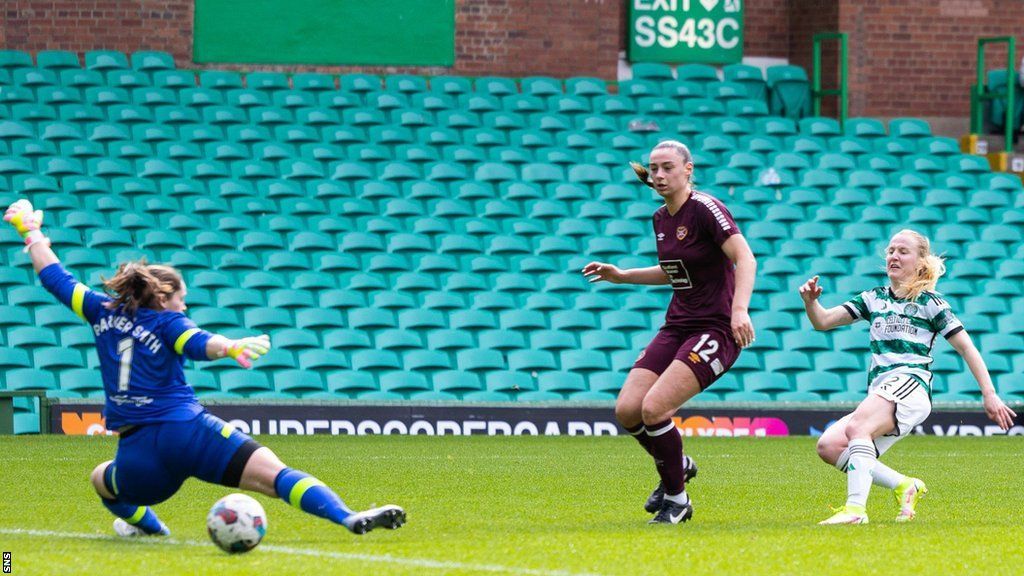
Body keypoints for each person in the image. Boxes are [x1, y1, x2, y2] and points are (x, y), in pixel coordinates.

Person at [3, 199, 406, 537]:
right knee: (277, 476)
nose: (185, 306)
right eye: (182, 299)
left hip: (138, 457)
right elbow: (196, 342)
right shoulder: (168, 322)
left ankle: (153, 530)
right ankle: (346, 516)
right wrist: (229, 346)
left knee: (102, 480)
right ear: (164, 298)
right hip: (188, 432)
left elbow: (54, 276)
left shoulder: (99, 309)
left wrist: (31, 231)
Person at [581, 140, 757, 524]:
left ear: (688, 169)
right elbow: (675, 270)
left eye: (667, 168)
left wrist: (739, 310)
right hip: (677, 325)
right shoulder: (661, 217)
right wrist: (623, 275)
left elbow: (745, 257)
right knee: (628, 410)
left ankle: (677, 500)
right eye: (654, 168)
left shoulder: (706, 208)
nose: (659, 175)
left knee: (654, 408)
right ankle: (679, 465)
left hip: (716, 329)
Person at [800, 229, 1016, 525]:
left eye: (903, 251)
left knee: (859, 427)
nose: (894, 256)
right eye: (891, 250)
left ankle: (855, 511)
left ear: (920, 261)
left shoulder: (931, 303)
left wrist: (989, 394)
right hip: (884, 389)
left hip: (911, 385)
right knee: (830, 446)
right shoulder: (872, 298)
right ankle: (904, 485)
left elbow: (967, 348)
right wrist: (811, 302)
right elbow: (823, 322)